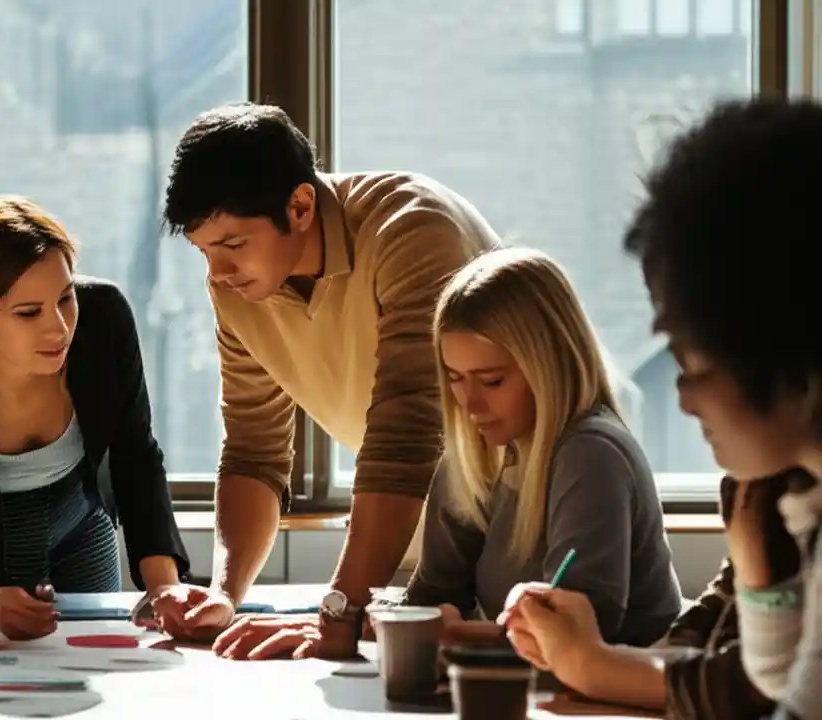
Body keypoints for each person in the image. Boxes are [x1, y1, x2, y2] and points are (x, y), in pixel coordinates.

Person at [507, 99, 822, 719]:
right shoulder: (782, 499)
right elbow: (783, 684)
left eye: (694, 360)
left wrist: (594, 664)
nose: (681, 396)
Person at [151, 102, 500, 660]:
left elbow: (408, 436)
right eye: (204, 251)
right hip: (410, 562)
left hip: (516, 541)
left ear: (300, 205)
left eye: (234, 245)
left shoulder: (413, 229)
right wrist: (225, 595)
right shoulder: (238, 288)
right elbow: (252, 453)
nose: (216, 273)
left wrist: (339, 610)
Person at [0, 197, 202, 640]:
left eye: (66, 298)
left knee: (96, 666)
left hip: (82, 523)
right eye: (28, 313)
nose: (58, 327)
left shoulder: (104, 320)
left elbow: (136, 455)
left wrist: (166, 585)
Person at [403, 248, 681, 648]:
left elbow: (578, 631)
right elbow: (434, 594)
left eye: (492, 381)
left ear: (548, 366)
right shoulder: (479, 449)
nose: (470, 405)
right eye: (455, 378)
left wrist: (454, 632)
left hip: (628, 692)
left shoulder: (592, 455)